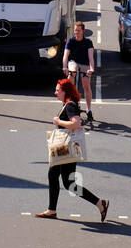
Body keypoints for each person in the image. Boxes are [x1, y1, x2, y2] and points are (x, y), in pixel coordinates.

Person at [36, 79, 108, 221]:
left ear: (65, 92)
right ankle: (100, 204)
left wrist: (58, 122)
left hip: (66, 147)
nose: (55, 92)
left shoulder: (69, 105)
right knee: (67, 182)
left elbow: (76, 124)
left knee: (58, 177)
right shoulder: (69, 104)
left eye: (58, 90)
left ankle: (53, 210)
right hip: (67, 147)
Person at [62, 21, 96, 124]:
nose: (76, 32)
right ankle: (67, 101)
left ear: (83, 31)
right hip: (74, 62)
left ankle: (89, 109)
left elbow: (91, 57)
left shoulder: (88, 42)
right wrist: (64, 67)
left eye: (78, 30)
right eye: (75, 30)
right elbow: (66, 55)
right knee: (72, 72)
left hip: (85, 64)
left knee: (86, 85)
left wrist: (91, 68)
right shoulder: (71, 41)